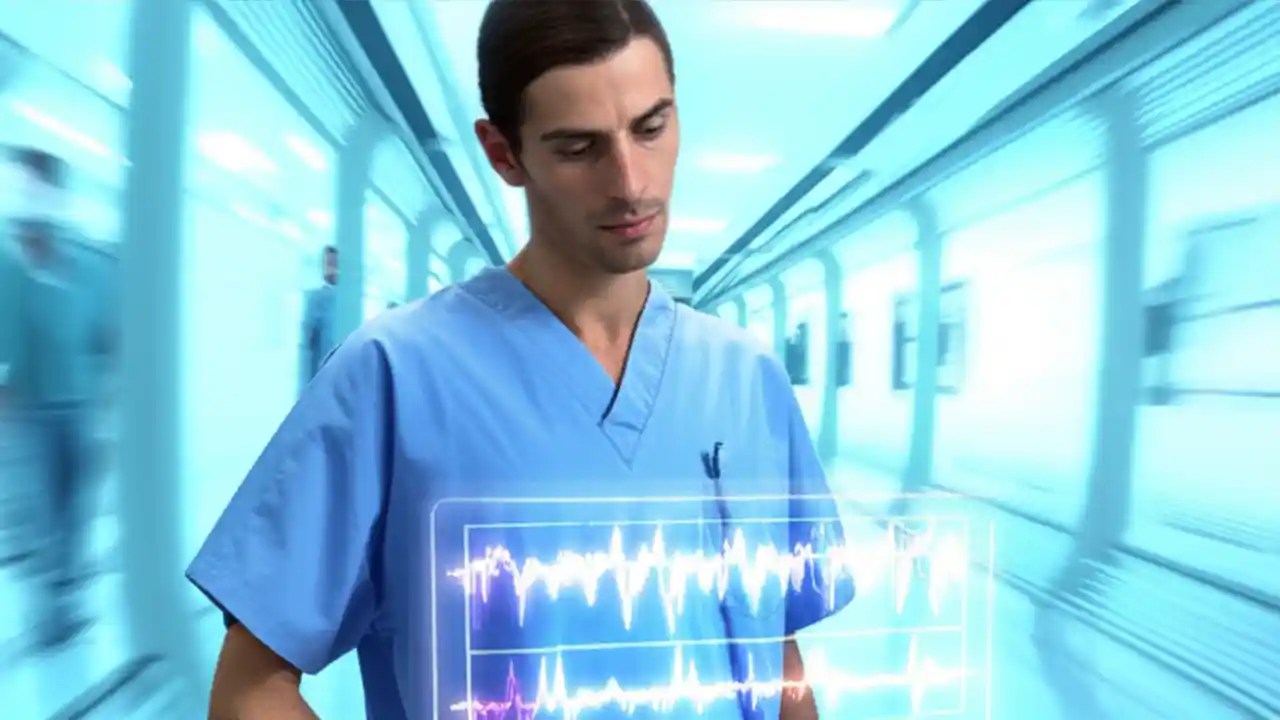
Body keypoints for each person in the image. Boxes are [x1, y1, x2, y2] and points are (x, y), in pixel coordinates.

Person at [186, 2, 854, 718]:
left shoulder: (747, 382)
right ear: (504, 154)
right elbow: (250, 685)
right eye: (578, 147)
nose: (631, 182)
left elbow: (781, 655)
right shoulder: (394, 376)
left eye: (651, 127)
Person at [0, 147, 107, 649]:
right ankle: (50, 606)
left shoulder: (82, 264)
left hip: (78, 406)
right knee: (38, 509)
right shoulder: (10, 263)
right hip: (29, 409)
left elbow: (104, 333)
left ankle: (65, 597)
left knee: (71, 507)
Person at [299, 245, 338, 388]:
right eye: (328, 265)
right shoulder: (317, 299)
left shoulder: (348, 302)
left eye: (333, 264)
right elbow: (308, 348)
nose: (330, 270)